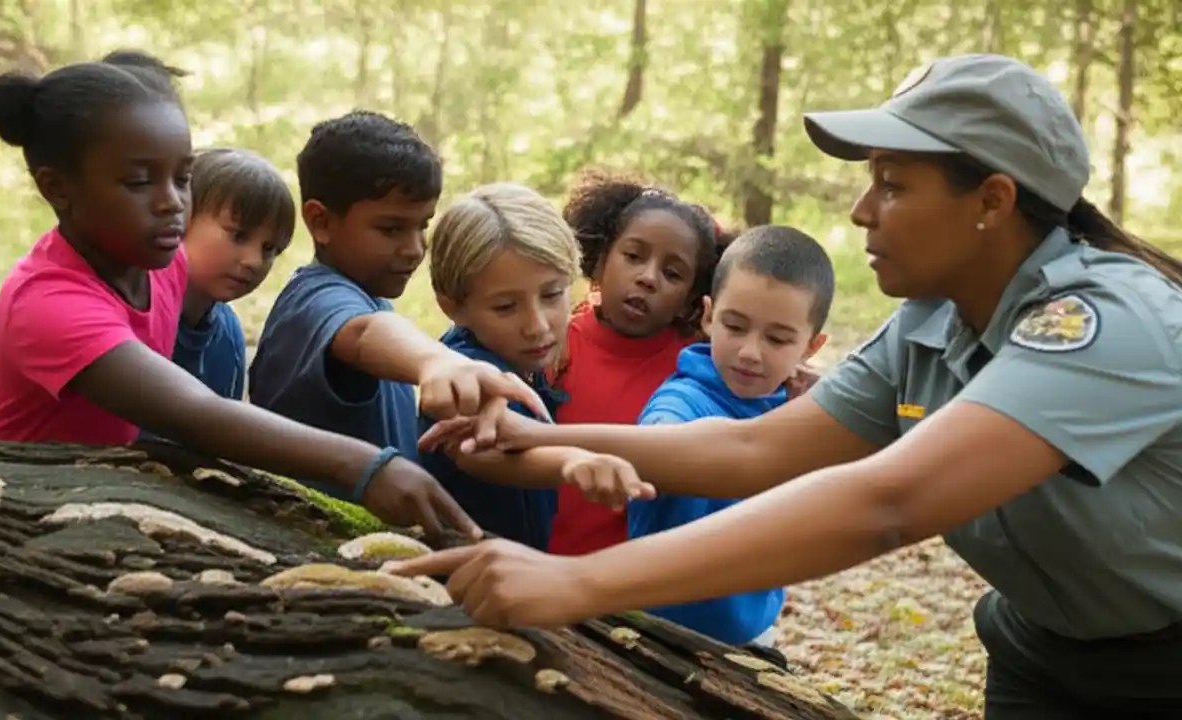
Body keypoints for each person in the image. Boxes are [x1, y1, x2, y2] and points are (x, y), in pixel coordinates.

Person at [391, 53, 1182, 718]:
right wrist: (546, 437)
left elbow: (888, 503)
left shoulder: (1105, 325)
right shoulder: (931, 325)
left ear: (993, 201)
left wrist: (578, 582)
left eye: (893, 184)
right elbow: (755, 445)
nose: (861, 210)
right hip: (1039, 651)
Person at [0, 51, 478, 539]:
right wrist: (365, 466)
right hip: (16, 505)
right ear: (57, 188)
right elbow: (196, 412)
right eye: (140, 181)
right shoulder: (49, 303)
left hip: (97, 495)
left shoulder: (160, 264)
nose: (172, 203)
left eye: (183, 176)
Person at [247, 111, 550, 500]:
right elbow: (363, 333)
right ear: (320, 222)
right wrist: (436, 362)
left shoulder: (369, 298)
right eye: (391, 229)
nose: (413, 249)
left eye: (422, 226)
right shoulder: (315, 299)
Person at [628, 225, 833, 648]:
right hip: (660, 638)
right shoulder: (683, 399)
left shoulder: (798, 413)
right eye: (735, 326)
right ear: (707, 316)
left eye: (777, 338)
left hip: (756, 637)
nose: (750, 352)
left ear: (811, 346)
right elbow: (662, 436)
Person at [420, 182, 651, 548]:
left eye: (551, 295)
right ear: (452, 306)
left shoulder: (530, 363)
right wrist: (569, 462)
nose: (538, 326)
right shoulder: (468, 370)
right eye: (505, 307)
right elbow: (480, 454)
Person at [542, 169, 721, 557]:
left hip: (633, 585)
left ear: (693, 299)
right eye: (634, 256)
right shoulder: (555, 345)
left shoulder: (697, 364)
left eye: (672, 274)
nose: (648, 278)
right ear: (601, 259)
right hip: (539, 561)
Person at [170, 147, 294, 400]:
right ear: (182, 217)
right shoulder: (131, 317)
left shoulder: (228, 335)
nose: (254, 261)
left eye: (269, 249)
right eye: (239, 235)